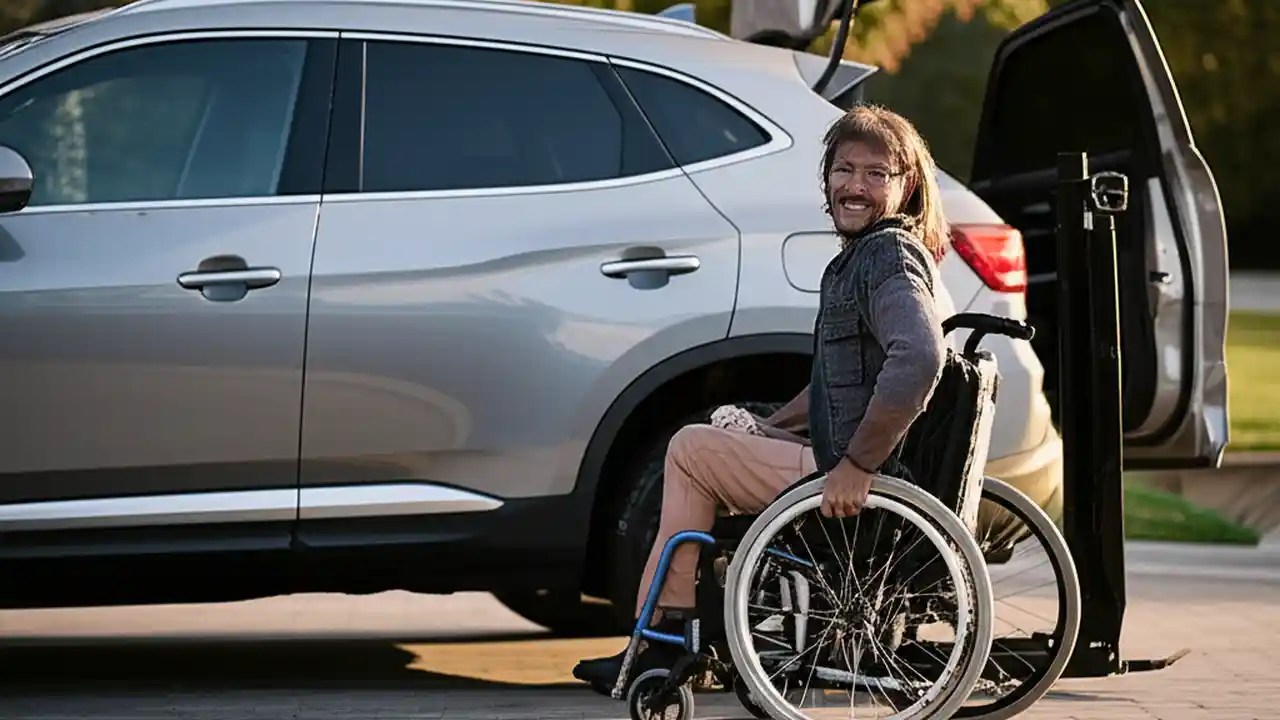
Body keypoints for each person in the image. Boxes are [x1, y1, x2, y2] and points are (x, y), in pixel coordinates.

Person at [573, 103, 953, 690]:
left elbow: (920, 357)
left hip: (857, 480)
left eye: (877, 174)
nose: (855, 185)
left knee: (691, 450)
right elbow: (837, 377)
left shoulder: (886, 258)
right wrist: (770, 424)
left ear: (905, 188)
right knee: (724, 435)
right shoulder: (865, 257)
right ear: (825, 178)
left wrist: (856, 466)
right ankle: (676, 636)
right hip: (850, 460)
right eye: (844, 169)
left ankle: (663, 643)